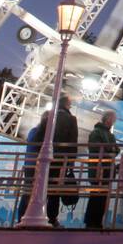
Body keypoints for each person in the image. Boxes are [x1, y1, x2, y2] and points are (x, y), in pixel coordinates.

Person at [47, 94, 79, 227]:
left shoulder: (50, 116)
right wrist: (70, 162)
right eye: (70, 103)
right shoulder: (71, 119)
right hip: (61, 160)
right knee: (55, 189)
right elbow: (73, 142)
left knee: (41, 187)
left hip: (47, 157)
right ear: (67, 104)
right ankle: (52, 218)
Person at [84, 109, 118, 230]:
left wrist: (109, 152)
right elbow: (99, 149)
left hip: (102, 169)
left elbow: (115, 150)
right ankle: (93, 222)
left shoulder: (100, 133)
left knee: (99, 196)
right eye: (113, 119)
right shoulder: (100, 133)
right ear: (108, 119)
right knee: (98, 196)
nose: (114, 122)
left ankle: (93, 222)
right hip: (101, 169)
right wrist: (110, 153)